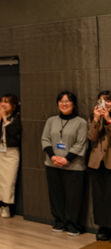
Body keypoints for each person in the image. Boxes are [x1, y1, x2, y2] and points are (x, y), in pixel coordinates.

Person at [41, 91, 88, 235]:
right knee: (56, 195)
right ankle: (59, 222)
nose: (64, 104)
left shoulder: (81, 122)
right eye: (61, 101)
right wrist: (53, 157)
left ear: (74, 104)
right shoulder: (51, 121)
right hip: (53, 164)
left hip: (74, 166)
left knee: (74, 198)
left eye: (68, 101)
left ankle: (73, 225)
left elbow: (81, 143)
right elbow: (45, 139)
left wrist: (67, 159)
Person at [88, 91, 111, 241]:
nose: (105, 104)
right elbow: (92, 137)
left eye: (108, 101)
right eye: (102, 101)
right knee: (100, 197)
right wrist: (96, 119)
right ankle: (104, 227)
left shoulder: (108, 118)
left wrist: (108, 119)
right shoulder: (93, 117)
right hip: (97, 163)